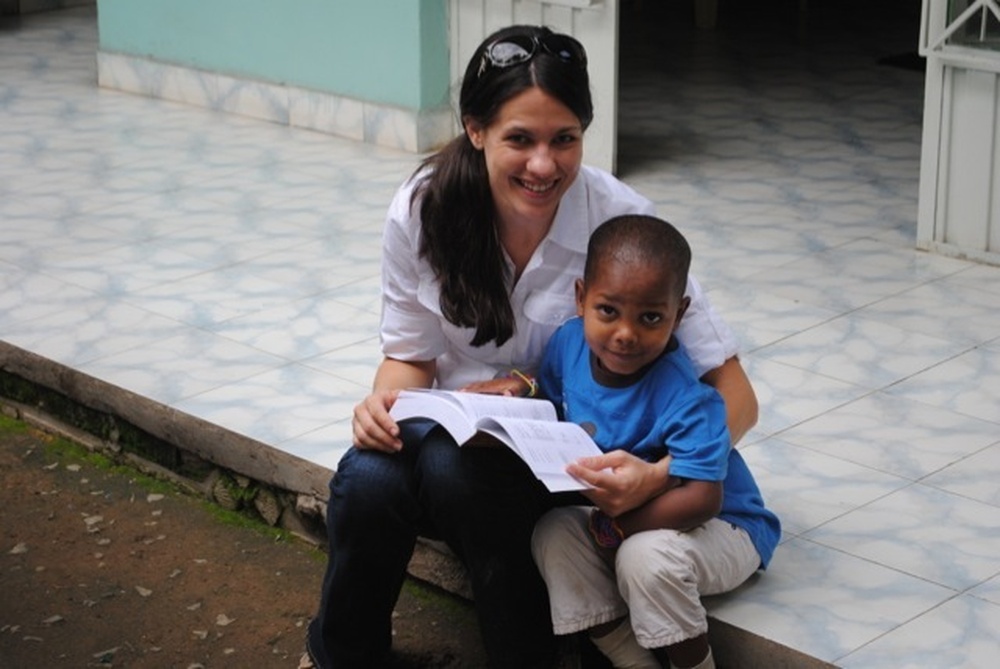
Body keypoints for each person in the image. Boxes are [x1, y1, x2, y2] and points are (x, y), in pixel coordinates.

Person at [303, 24, 759, 669]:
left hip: (573, 477)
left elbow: (735, 397)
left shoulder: (622, 224)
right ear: (476, 128)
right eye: (520, 138)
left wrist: (658, 478)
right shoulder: (424, 210)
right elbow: (410, 356)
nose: (544, 165)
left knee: (453, 473)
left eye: (564, 140)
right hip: (458, 436)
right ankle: (344, 658)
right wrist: (383, 406)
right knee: (370, 474)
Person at [531, 214, 781, 669]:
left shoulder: (687, 396)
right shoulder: (567, 346)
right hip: (629, 518)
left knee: (643, 556)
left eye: (650, 318)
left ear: (679, 314)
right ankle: (634, 661)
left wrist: (618, 530)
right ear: (581, 298)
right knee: (554, 533)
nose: (626, 334)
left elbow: (704, 497)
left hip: (725, 527)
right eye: (608, 311)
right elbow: (550, 408)